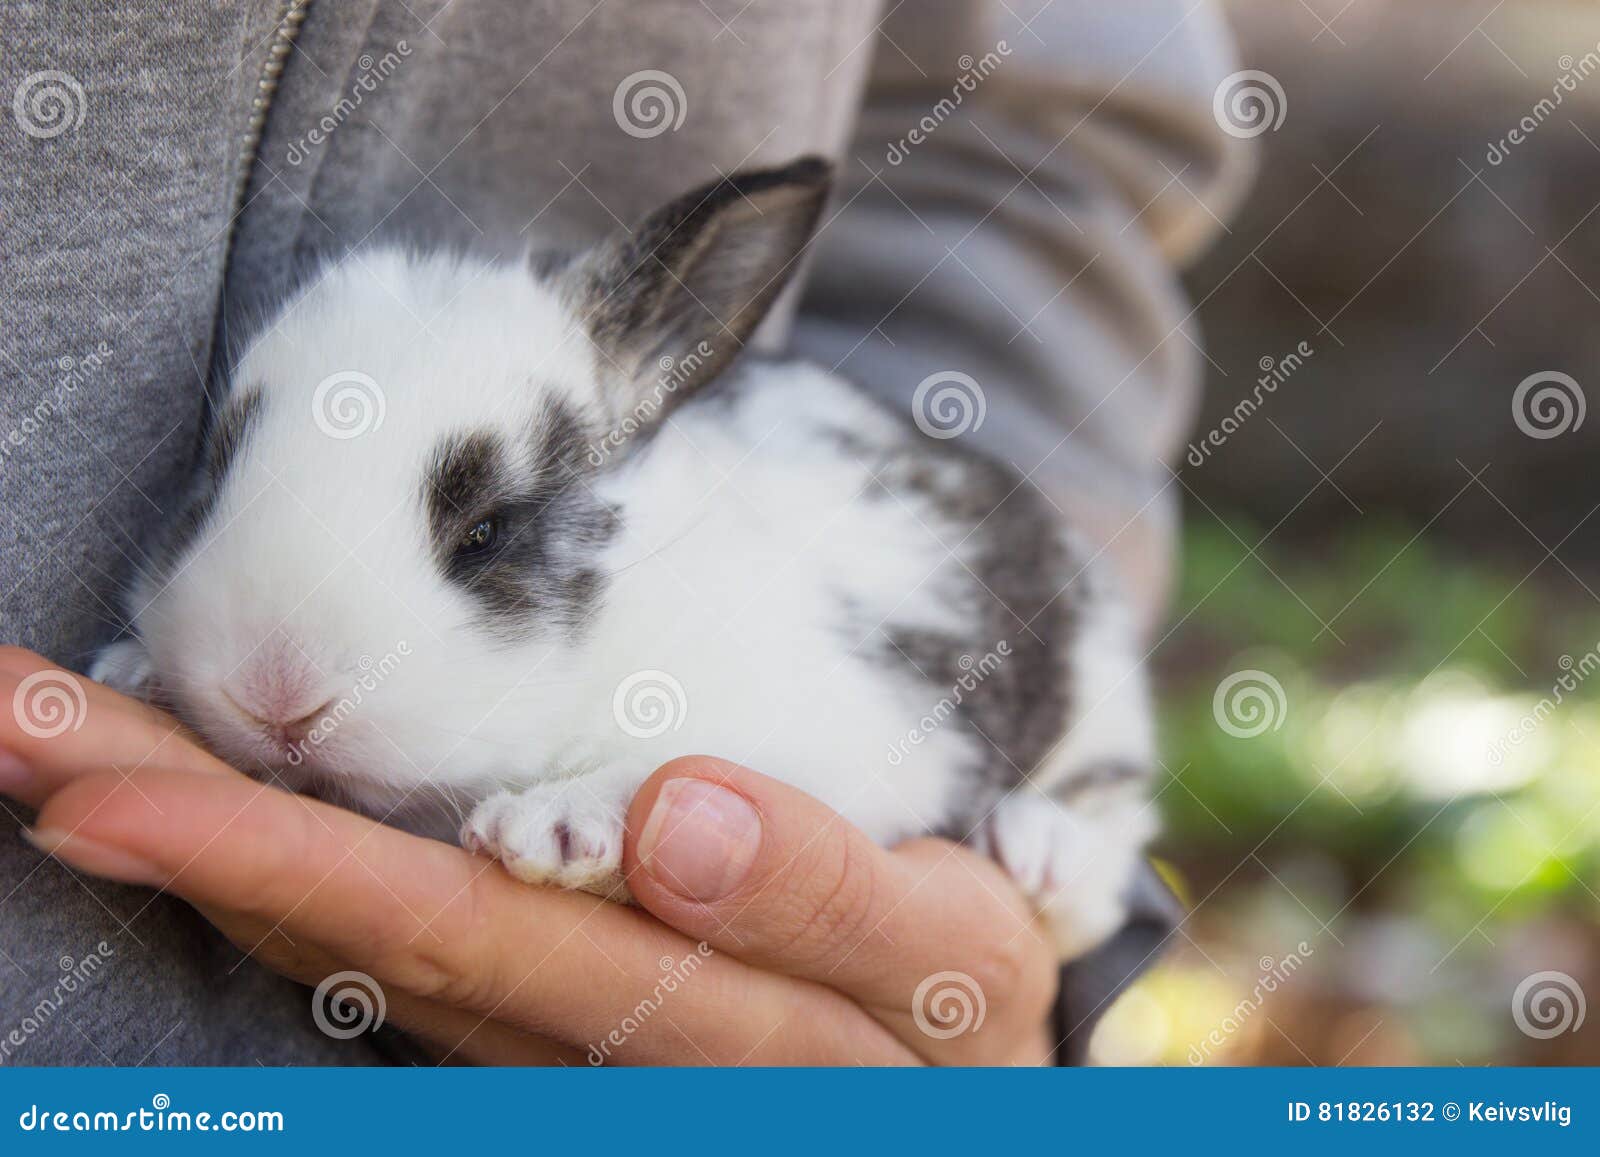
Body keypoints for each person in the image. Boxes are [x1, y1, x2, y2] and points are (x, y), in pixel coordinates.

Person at [0, 1, 1251, 1064]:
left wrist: (970, 979)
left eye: (484, 533)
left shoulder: (710, 596)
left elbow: (1021, 133)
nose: (286, 701)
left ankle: (1085, 829)